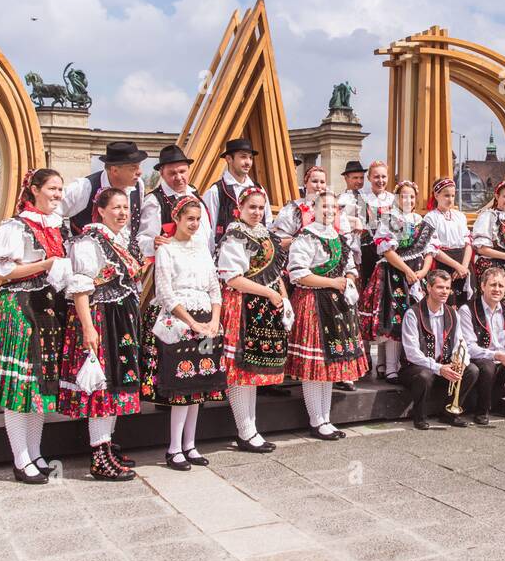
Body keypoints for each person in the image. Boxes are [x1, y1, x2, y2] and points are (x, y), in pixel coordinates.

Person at [0, 168, 71, 484]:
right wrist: (46, 265)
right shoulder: (15, 226)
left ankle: (35, 453)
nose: (58, 195)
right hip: (19, 311)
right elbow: (2, 272)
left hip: (47, 311)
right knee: (20, 387)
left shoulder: (56, 226)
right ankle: (21, 459)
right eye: (52, 188)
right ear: (34, 190)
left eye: (60, 189)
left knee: (40, 387)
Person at [59, 186, 147, 482]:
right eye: (116, 208)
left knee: (116, 386)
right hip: (101, 317)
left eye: (125, 208)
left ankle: (107, 447)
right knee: (102, 388)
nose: (122, 213)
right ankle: (98, 456)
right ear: (101, 210)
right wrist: (87, 328)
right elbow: (81, 287)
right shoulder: (90, 241)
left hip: (120, 318)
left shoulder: (119, 240)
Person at [139, 195, 225, 470]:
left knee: (199, 386)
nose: (195, 224)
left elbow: (214, 286)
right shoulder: (167, 250)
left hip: (204, 319)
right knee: (181, 387)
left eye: (199, 219)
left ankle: (191, 443)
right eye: (190, 218)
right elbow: (165, 292)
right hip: (179, 320)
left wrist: (214, 320)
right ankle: (174, 447)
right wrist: (192, 322)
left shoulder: (201, 249)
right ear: (176, 219)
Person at [284, 189, 368, 440]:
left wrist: (349, 280)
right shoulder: (306, 237)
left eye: (333, 207)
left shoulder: (340, 238)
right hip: (313, 302)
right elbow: (298, 274)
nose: (329, 211)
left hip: (337, 304)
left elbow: (350, 267)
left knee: (329, 364)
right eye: (324, 207)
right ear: (314, 210)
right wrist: (335, 283)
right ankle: (315, 419)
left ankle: (325, 418)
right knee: (315, 364)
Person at [217, 186, 289, 453]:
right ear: (240, 208)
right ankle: (245, 431)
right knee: (241, 371)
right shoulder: (236, 235)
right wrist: (269, 293)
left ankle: (251, 428)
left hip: (262, 304)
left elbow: (274, 272)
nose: (257, 212)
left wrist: (282, 296)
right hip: (242, 304)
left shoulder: (265, 234)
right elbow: (233, 278)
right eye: (252, 208)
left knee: (252, 373)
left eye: (261, 207)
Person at [359, 180, 448, 383]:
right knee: (392, 320)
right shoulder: (389, 219)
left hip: (415, 276)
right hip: (393, 275)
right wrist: (407, 270)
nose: (408, 200)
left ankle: (399, 363)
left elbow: (430, 251)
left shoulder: (421, 221)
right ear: (397, 198)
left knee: (410, 319)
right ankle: (389, 368)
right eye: (403, 196)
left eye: (411, 196)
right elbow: (387, 251)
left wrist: (423, 272)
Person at [400, 269, 480, 429]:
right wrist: (438, 368)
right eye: (440, 287)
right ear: (429, 288)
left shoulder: (452, 313)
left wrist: (462, 363)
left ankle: (449, 413)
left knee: (472, 370)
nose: (445, 292)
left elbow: (460, 342)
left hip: (444, 365)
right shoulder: (413, 314)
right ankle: (419, 416)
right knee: (424, 375)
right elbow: (412, 353)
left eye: (447, 288)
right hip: (415, 368)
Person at [463, 266, 505, 425]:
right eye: (493, 285)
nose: (497, 289)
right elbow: (469, 348)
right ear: (483, 286)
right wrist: (497, 355)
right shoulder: (467, 309)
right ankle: (482, 410)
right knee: (488, 365)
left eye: (501, 286)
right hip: (482, 358)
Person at [57, 140, 147, 242]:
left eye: (139, 166)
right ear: (114, 170)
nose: (140, 172)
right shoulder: (84, 187)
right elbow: (52, 210)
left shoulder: (139, 185)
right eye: (133, 168)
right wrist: (63, 243)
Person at [136, 144, 212, 260]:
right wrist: (153, 243)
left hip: (204, 265)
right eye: (172, 173)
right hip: (175, 269)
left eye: (182, 171)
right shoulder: (154, 201)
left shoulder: (193, 192)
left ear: (188, 169)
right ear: (161, 173)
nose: (179, 177)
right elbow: (142, 240)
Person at [204, 137, 272, 250]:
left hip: (257, 255)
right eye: (243, 157)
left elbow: (268, 221)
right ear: (229, 159)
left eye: (250, 158)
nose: (248, 162)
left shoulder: (259, 189)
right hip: (226, 255)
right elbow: (208, 229)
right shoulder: (216, 191)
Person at [421, 178, 473, 306]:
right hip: (443, 264)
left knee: (465, 304)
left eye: (453, 195)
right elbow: (433, 249)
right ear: (436, 195)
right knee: (447, 303)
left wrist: (464, 267)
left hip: (463, 263)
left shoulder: (460, 216)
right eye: (446, 195)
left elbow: (468, 243)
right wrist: (457, 266)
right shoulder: (430, 217)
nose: (450, 199)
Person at [271, 165, 329, 250]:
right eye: (315, 181)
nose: (319, 186)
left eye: (322, 182)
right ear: (305, 183)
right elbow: (279, 240)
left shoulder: (332, 208)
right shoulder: (294, 208)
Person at [359, 161, 396, 285]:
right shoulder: (362, 199)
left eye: (383, 176)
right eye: (376, 177)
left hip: (391, 251)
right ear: (369, 178)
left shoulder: (394, 199)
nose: (380, 180)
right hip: (369, 251)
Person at [335, 159, 369, 270]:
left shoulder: (366, 197)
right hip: (351, 244)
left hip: (368, 245)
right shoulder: (341, 199)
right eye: (355, 178)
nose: (359, 181)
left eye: (361, 178)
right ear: (346, 178)